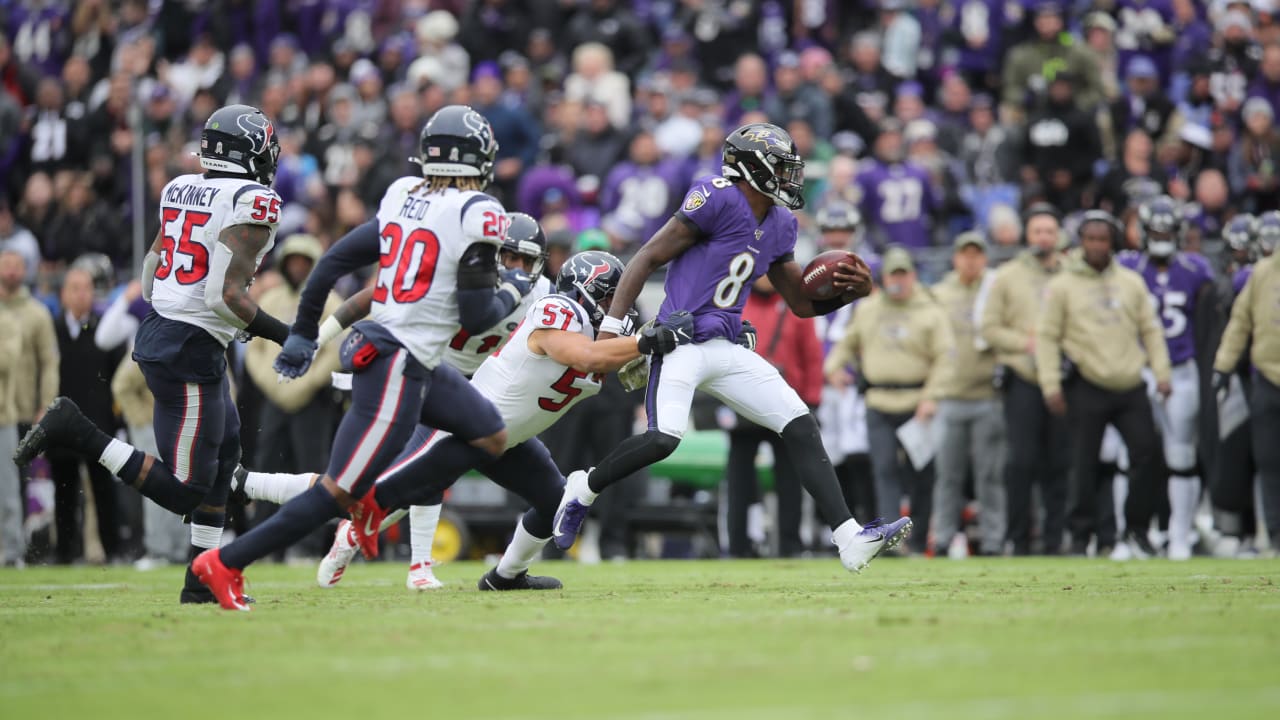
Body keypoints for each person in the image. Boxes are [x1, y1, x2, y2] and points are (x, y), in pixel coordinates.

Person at [188, 106, 538, 610]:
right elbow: (479, 315)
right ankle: (224, 562)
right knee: (337, 490)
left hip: (409, 356)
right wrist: (513, 292)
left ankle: (376, 504)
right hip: (396, 360)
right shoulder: (478, 212)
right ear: (479, 159)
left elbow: (331, 261)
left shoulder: (403, 194)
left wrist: (307, 331)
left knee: (489, 433)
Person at [551, 123, 911, 574]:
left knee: (799, 424)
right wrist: (611, 329)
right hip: (680, 339)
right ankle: (583, 488)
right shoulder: (717, 198)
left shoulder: (781, 223)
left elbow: (800, 303)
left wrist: (850, 294)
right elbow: (646, 257)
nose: (788, 179)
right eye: (780, 169)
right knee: (663, 438)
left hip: (726, 344)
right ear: (751, 168)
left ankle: (849, 539)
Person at [14, 104, 288, 600]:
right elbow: (222, 296)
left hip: (169, 330)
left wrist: (166, 312)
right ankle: (74, 427)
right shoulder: (254, 200)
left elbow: (150, 267)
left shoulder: (180, 187)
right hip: (190, 344)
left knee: (224, 461)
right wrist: (286, 335)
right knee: (187, 487)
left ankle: (200, 581)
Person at [310, 212, 553, 590]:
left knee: (549, 491)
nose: (517, 268)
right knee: (415, 474)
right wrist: (319, 337)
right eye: (509, 257)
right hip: (432, 380)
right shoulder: (457, 275)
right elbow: (376, 295)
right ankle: (365, 541)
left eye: (526, 261)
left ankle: (477, 572)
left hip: (486, 393)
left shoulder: (541, 295)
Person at [1037, 211, 1171, 559]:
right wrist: (1050, 383)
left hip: (1129, 381)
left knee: (1147, 454)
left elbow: (1151, 330)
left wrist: (1162, 372)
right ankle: (1081, 536)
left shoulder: (1131, 282)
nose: (1097, 245)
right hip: (1087, 382)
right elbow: (1048, 338)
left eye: (1103, 239)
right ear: (1081, 242)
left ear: (1113, 242)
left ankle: (1137, 529)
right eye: (1091, 239)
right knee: (1083, 464)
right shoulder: (1063, 285)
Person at [826, 247, 953, 555]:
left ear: (913, 276)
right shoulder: (869, 310)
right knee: (883, 471)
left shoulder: (931, 312)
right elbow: (847, 342)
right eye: (892, 274)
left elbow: (946, 359)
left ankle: (920, 537)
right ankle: (892, 541)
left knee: (923, 474)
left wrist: (931, 397)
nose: (898, 280)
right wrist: (832, 367)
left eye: (903, 274)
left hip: (917, 403)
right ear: (884, 277)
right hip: (879, 400)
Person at [1116, 196, 1217, 560]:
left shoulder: (1194, 269)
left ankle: (1179, 535)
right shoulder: (1126, 267)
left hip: (1181, 370)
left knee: (1181, 455)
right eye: (1155, 230)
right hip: (1138, 370)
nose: (1161, 236)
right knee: (1130, 456)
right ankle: (1125, 535)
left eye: (1167, 230)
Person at [979, 204, 1070, 554]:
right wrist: (1027, 344)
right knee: (1021, 461)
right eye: (1037, 232)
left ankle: (1055, 538)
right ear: (1026, 236)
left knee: (1060, 462)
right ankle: (1017, 538)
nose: (1044, 238)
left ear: (1058, 236)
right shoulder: (1007, 276)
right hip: (1023, 376)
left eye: (1049, 231)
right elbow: (988, 327)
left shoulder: (1071, 275)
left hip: (1062, 377)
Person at [726, 273, 824, 558]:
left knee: (791, 480)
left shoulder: (795, 307)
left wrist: (813, 400)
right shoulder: (735, 304)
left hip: (785, 403)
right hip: (743, 404)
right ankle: (739, 546)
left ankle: (790, 544)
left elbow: (811, 356)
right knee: (739, 481)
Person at [931, 232, 1006, 558]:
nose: (971, 260)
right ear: (955, 258)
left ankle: (994, 539)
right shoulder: (939, 293)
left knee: (990, 475)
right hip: (950, 395)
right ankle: (944, 537)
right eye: (965, 254)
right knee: (948, 475)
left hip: (987, 394)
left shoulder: (996, 290)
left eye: (977, 254)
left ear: (985, 258)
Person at [1212, 211, 1280, 551]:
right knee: (1264, 459)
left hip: (1260, 373)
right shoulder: (1259, 275)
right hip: (1262, 376)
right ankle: (1270, 535)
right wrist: (1223, 366)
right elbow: (1239, 322)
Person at [49, 267, 125, 564]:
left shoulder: (105, 332)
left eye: (87, 288)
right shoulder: (52, 330)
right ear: (63, 294)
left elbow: (117, 379)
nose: (82, 294)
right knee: (64, 490)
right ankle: (65, 553)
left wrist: (117, 422)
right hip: (61, 425)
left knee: (105, 491)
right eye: (75, 288)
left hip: (98, 424)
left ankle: (114, 550)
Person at [0, 251, 58, 567]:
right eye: (5, 265)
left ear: (25, 270)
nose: (10, 271)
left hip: (21, 412)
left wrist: (45, 405)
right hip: (6, 409)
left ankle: (17, 549)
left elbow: (49, 362)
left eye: (16, 265)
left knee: (15, 486)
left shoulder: (36, 314)